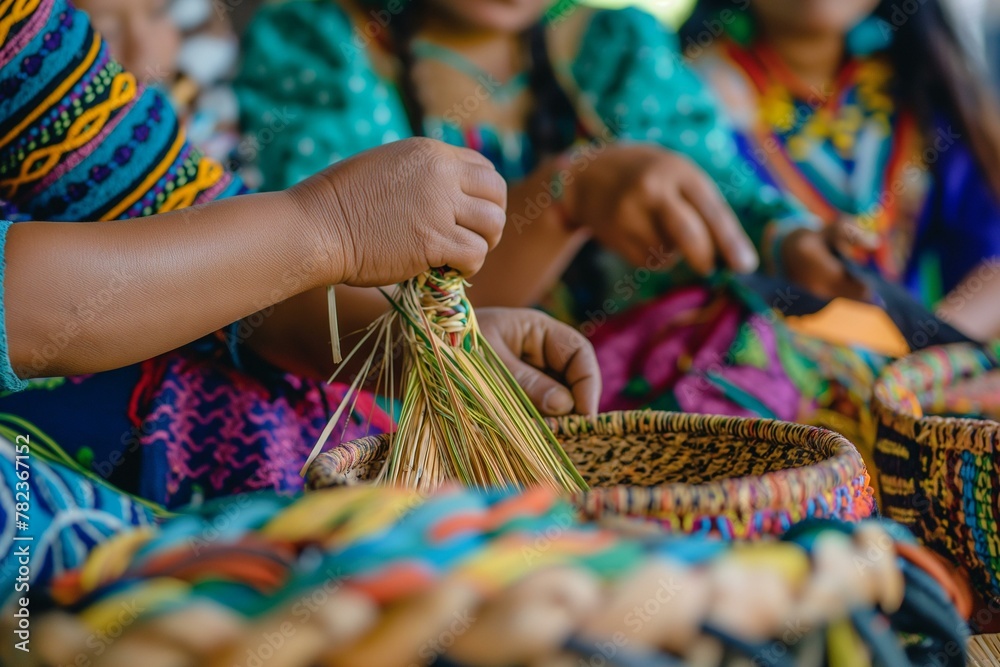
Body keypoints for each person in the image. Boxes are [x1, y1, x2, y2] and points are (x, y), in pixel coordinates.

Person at [0, 0, 600, 509]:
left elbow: (207, 249)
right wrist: (325, 223)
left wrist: (423, 344)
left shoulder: (29, 35)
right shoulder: (315, 44)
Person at [681, 0, 1000, 341]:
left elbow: (990, 259)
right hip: (749, 374)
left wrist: (915, 349)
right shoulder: (680, 100)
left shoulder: (921, 84)